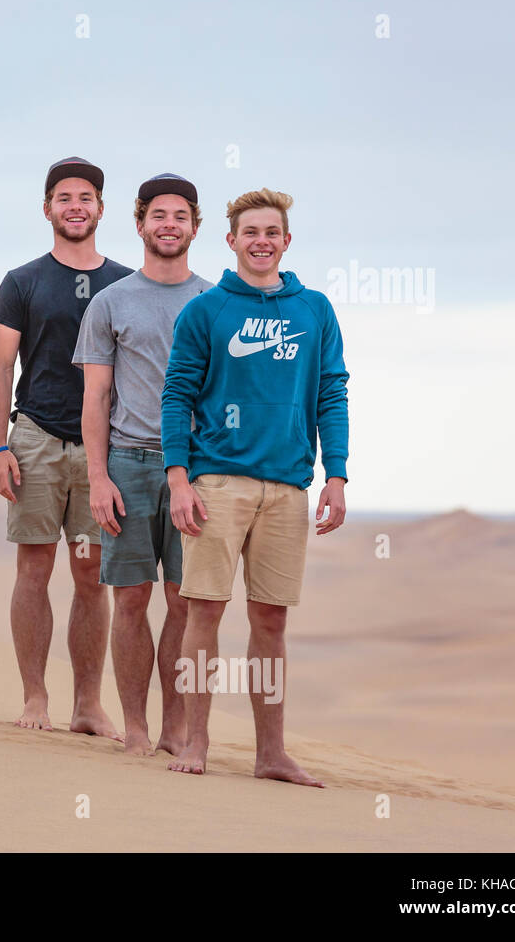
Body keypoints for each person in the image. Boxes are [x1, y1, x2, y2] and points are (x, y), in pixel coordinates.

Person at [159, 188, 349, 786]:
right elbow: (176, 397)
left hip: (288, 488)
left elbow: (332, 393)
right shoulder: (207, 310)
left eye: (272, 232)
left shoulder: (315, 309)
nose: (261, 241)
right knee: (204, 611)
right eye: (250, 232)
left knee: (270, 622)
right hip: (217, 482)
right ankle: (196, 741)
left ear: (286, 241)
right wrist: (179, 479)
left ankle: (271, 753)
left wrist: (336, 475)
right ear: (232, 241)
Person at [0, 157, 133, 737]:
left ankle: (89, 705)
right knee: (34, 566)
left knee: (93, 573)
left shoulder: (125, 283)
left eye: (86, 198)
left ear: (101, 209)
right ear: (47, 208)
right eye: (64, 197)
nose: (76, 207)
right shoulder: (22, 281)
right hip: (37, 439)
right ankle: (35, 697)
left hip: (105, 449)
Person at [73, 173, 214, 756]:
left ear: (195, 227)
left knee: (184, 603)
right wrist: (98, 477)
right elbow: (95, 400)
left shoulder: (215, 302)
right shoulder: (110, 302)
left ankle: (176, 731)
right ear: (139, 225)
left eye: (180, 215)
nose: (169, 225)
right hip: (128, 465)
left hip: (196, 472)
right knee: (131, 599)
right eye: (159, 215)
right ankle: (134, 728)